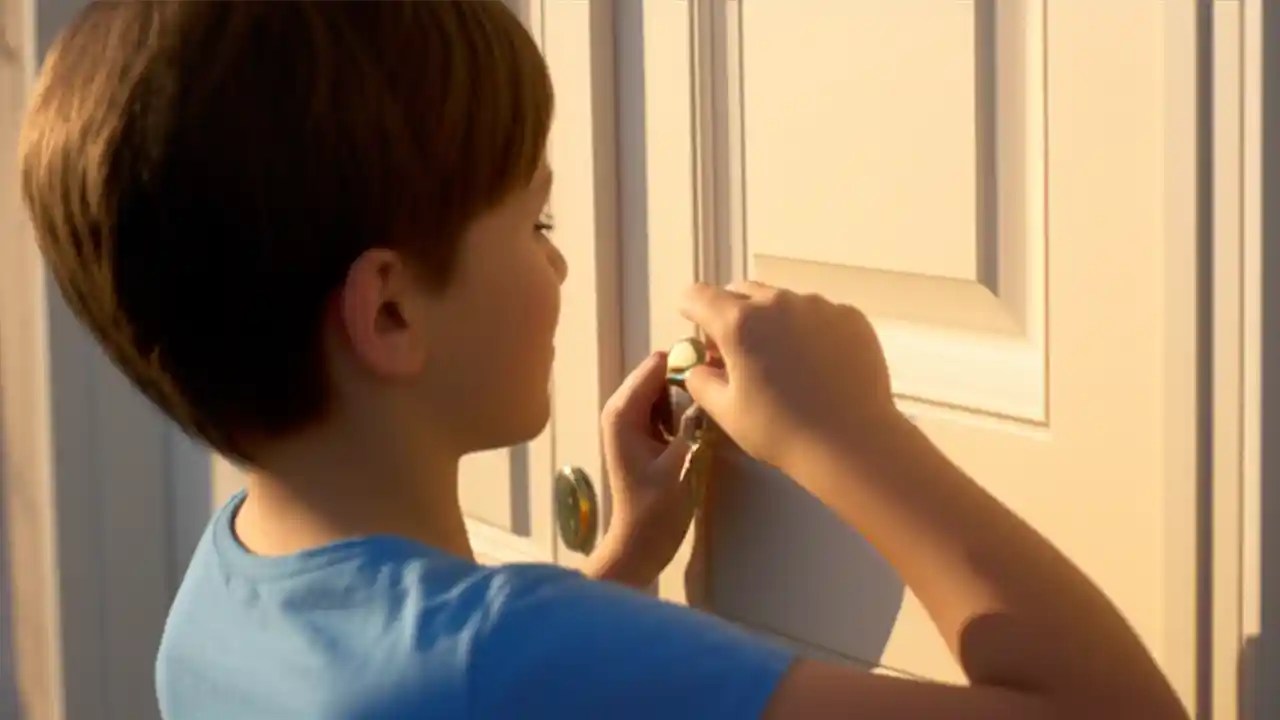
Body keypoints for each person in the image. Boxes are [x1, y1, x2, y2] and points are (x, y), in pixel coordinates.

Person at [18, 2, 1188, 719]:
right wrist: (851, 434)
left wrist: (625, 557)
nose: (562, 266)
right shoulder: (510, 657)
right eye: (535, 224)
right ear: (387, 314)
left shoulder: (218, 604)